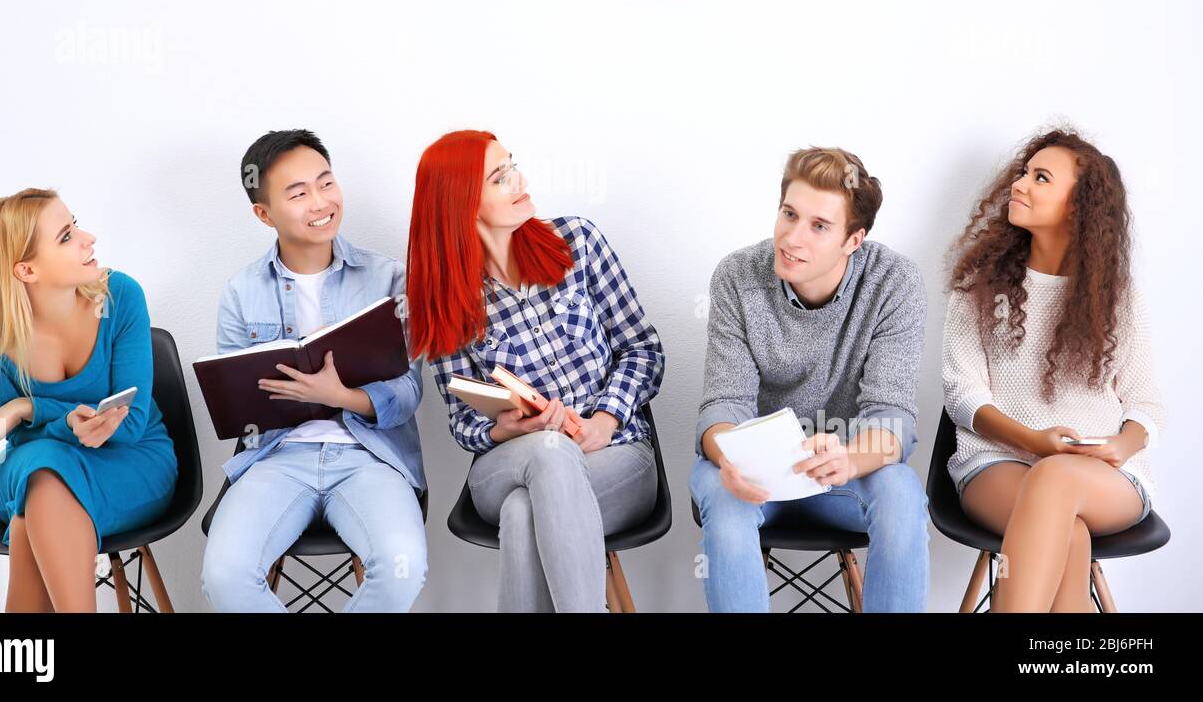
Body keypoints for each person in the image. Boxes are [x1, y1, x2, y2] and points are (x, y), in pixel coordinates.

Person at [407, 130, 663, 612]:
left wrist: (604, 420)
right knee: (547, 451)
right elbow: (463, 423)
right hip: (507, 465)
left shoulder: (578, 243)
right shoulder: (443, 300)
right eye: (499, 177)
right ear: (462, 202)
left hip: (618, 456)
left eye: (512, 166)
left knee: (524, 515)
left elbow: (644, 351)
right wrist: (505, 427)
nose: (518, 180)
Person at [690, 146, 930, 612]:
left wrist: (852, 457)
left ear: (852, 240)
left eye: (819, 226)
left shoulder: (894, 282)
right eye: (789, 214)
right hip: (754, 475)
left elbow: (892, 415)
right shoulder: (738, 276)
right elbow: (723, 406)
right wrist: (731, 458)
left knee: (900, 490)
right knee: (722, 495)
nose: (792, 238)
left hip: (845, 473)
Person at [200, 129, 427, 612]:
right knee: (225, 575)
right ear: (264, 213)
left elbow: (409, 392)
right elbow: (236, 413)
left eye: (326, 183)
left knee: (402, 564)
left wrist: (342, 395)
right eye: (298, 193)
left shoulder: (388, 278)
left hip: (370, 457)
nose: (320, 201)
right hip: (276, 459)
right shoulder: (241, 292)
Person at [942, 128, 1166, 612]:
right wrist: (1032, 441)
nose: (1019, 184)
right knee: (1069, 533)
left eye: (1040, 177)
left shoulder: (1118, 298)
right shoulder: (978, 286)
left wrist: (1117, 447)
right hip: (996, 464)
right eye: (1023, 172)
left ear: (1079, 206)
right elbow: (961, 393)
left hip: (1104, 478)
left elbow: (1147, 404)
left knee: (1058, 481)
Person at [0, 188, 176, 612]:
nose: (89, 238)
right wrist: (66, 421)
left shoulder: (120, 296)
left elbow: (129, 425)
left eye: (75, 224)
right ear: (26, 270)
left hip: (131, 460)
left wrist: (25, 408)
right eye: (67, 236)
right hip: (30, 462)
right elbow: (30, 443)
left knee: (31, 513)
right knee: (43, 468)